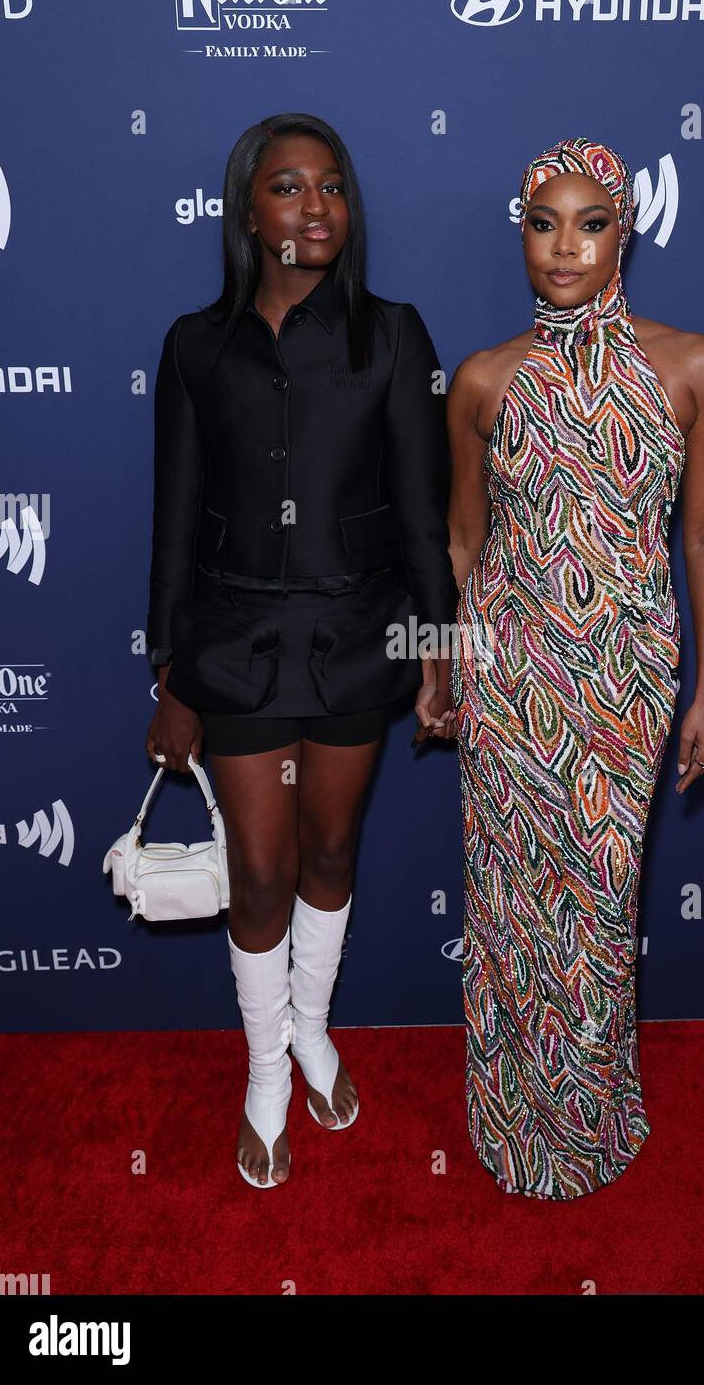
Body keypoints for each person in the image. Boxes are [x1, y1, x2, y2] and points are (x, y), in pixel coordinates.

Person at [144, 113, 458, 1189]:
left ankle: (313, 1033)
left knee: (329, 854)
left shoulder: (395, 335)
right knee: (261, 869)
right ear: (247, 212)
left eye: (331, 187)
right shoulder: (196, 345)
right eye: (288, 186)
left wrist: (438, 652)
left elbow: (424, 513)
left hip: (358, 640)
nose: (315, 205)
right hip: (230, 645)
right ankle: (264, 1075)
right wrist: (170, 669)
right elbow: (174, 513)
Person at [429, 137, 704, 1199]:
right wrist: (442, 671)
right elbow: (462, 545)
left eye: (588, 222)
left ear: (625, 229)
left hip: (627, 679)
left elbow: (703, 536)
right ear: (520, 230)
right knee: (510, 905)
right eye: (542, 222)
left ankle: (589, 1117)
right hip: (512, 682)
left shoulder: (690, 367)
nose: (564, 247)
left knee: (598, 902)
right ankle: (512, 1115)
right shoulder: (480, 379)